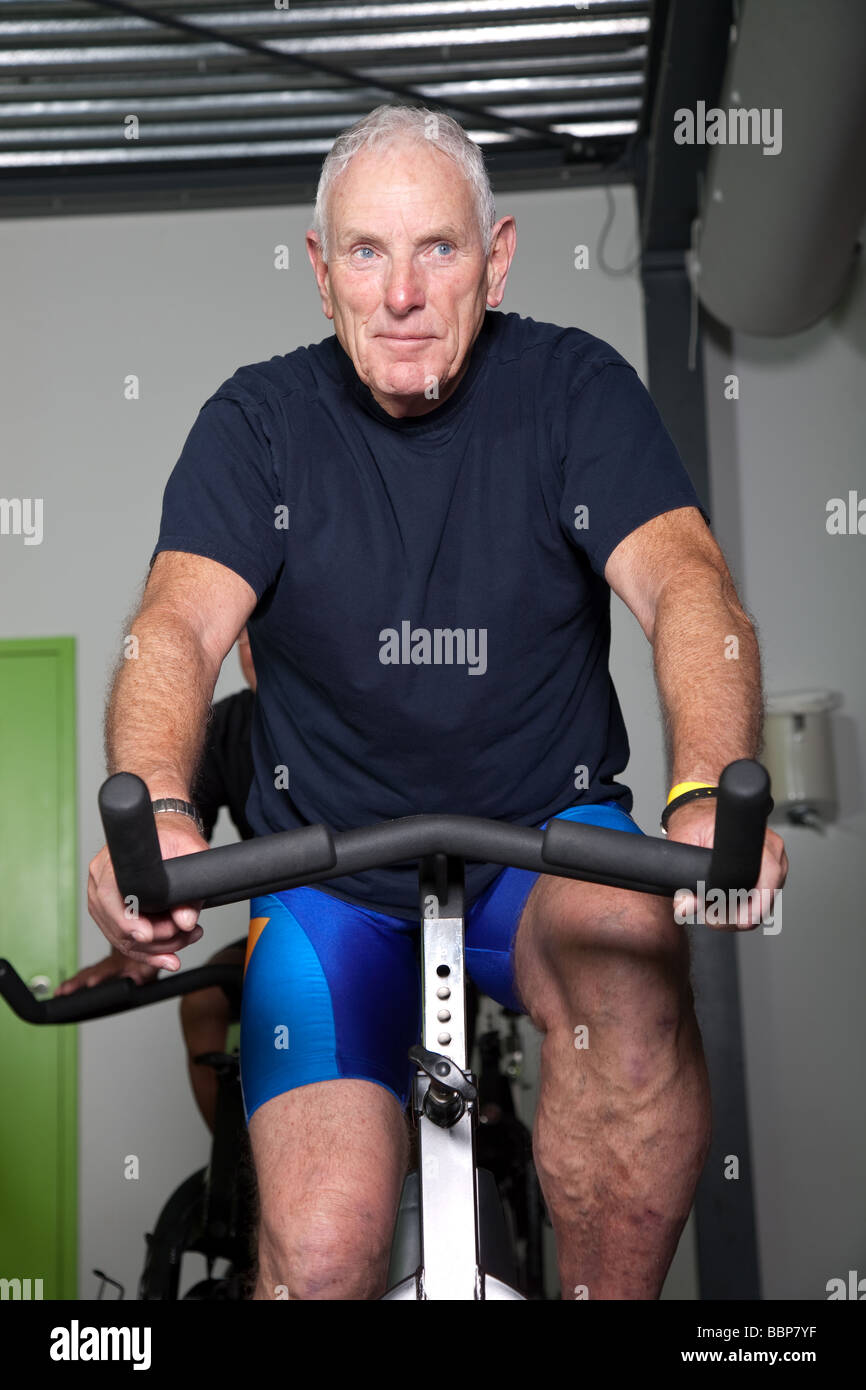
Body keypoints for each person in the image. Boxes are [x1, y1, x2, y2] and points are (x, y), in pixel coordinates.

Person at [87, 104, 788, 1301]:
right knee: (319, 1252)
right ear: (320, 273)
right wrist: (153, 804)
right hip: (330, 884)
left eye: (438, 250)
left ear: (497, 257)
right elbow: (172, 628)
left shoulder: (571, 392)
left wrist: (697, 785)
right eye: (365, 251)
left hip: (542, 847)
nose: (400, 292)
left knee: (627, 978)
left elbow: (686, 589)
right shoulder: (257, 426)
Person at [59, 631, 255, 1133]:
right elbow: (176, 845)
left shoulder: (346, 726)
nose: (254, 648)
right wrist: (132, 950)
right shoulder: (226, 727)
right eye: (246, 636)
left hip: (389, 915)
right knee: (204, 999)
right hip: (279, 925)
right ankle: (235, 1167)